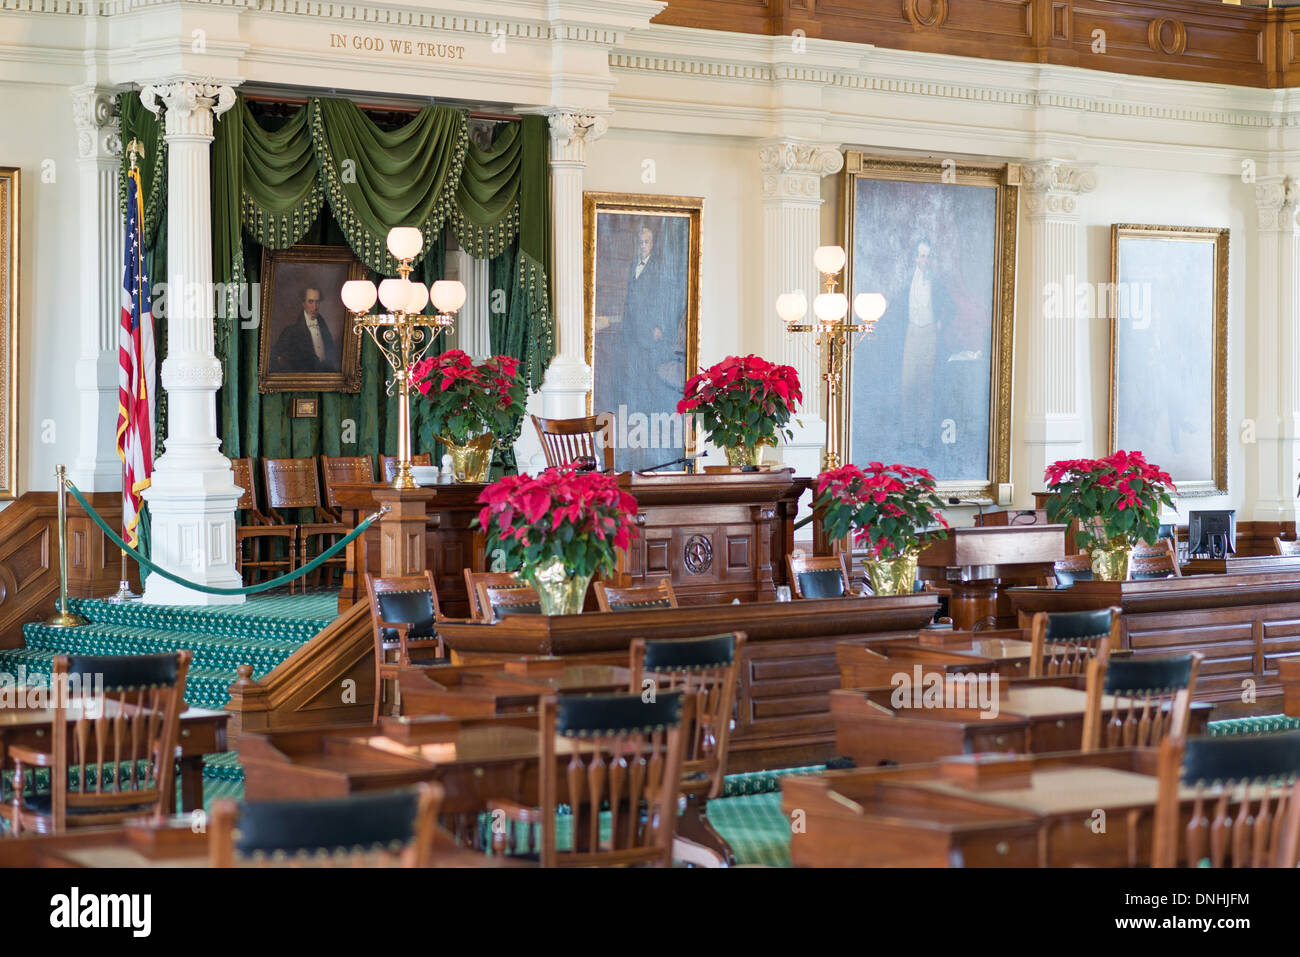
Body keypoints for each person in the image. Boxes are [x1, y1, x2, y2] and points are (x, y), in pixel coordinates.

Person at [272, 285, 340, 373]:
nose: (315, 307)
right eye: (311, 302)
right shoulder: (291, 331)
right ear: (303, 304)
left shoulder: (324, 328)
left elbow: (332, 357)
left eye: (317, 302)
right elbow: (276, 357)